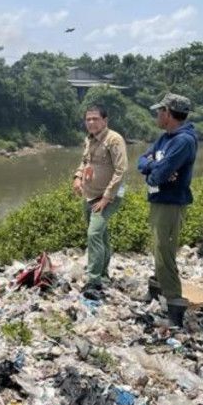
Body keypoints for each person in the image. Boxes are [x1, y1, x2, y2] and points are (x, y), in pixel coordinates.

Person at [137, 93, 198, 327]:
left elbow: (159, 176)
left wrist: (155, 172)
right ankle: (156, 292)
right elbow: (142, 161)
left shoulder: (184, 141)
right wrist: (154, 168)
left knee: (166, 252)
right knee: (158, 248)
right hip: (159, 200)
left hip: (171, 203)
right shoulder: (165, 138)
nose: (157, 116)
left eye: (159, 112)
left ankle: (174, 304)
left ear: (168, 113)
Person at [72, 105, 127, 292]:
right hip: (90, 194)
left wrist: (107, 197)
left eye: (95, 119)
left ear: (105, 120)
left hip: (107, 196)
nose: (91, 122)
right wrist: (78, 177)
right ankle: (103, 273)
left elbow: (121, 170)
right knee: (100, 236)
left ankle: (94, 282)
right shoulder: (90, 139)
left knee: (94, 233)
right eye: (88, 119)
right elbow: (85, 161)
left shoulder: (114, 140)